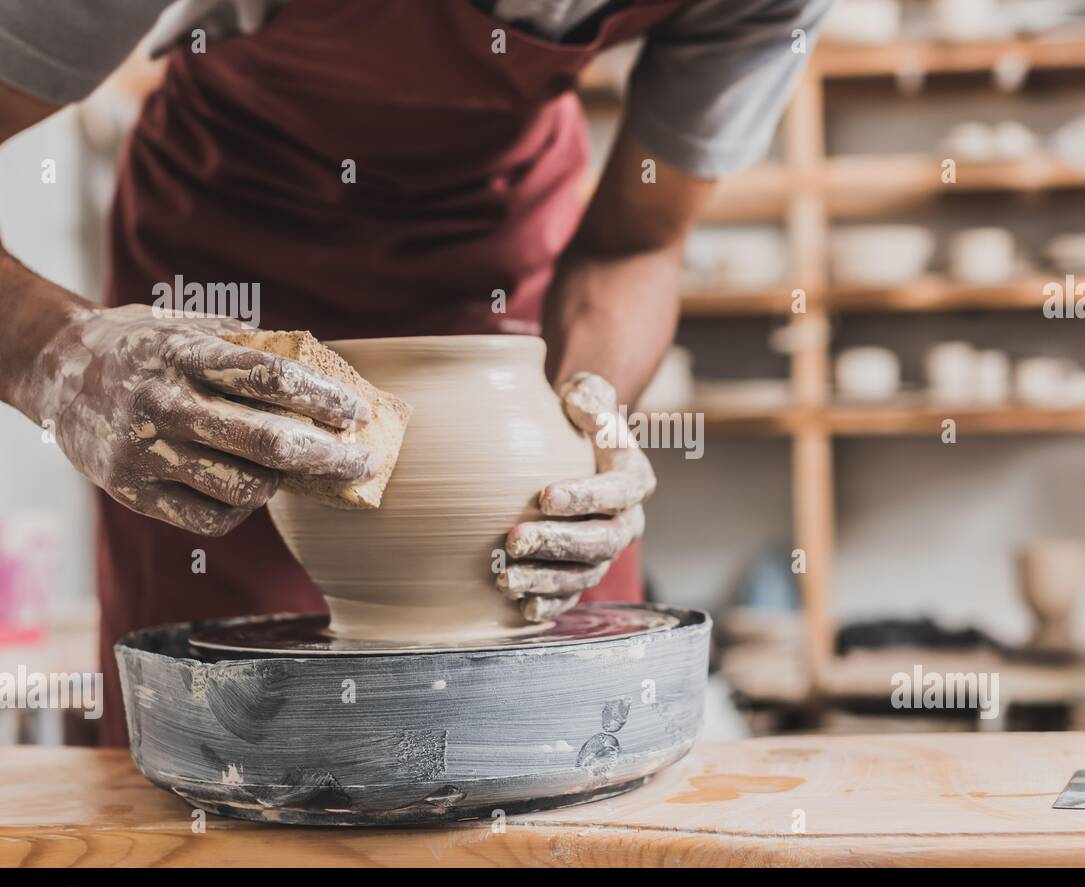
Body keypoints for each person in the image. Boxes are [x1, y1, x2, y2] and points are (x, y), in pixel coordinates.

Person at [0, 0, 829, 745]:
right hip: (231, 251)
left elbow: (637, 241)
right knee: (222, 741)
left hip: (502, 252)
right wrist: (53, 352)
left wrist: (579, 429)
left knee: (556, 730)